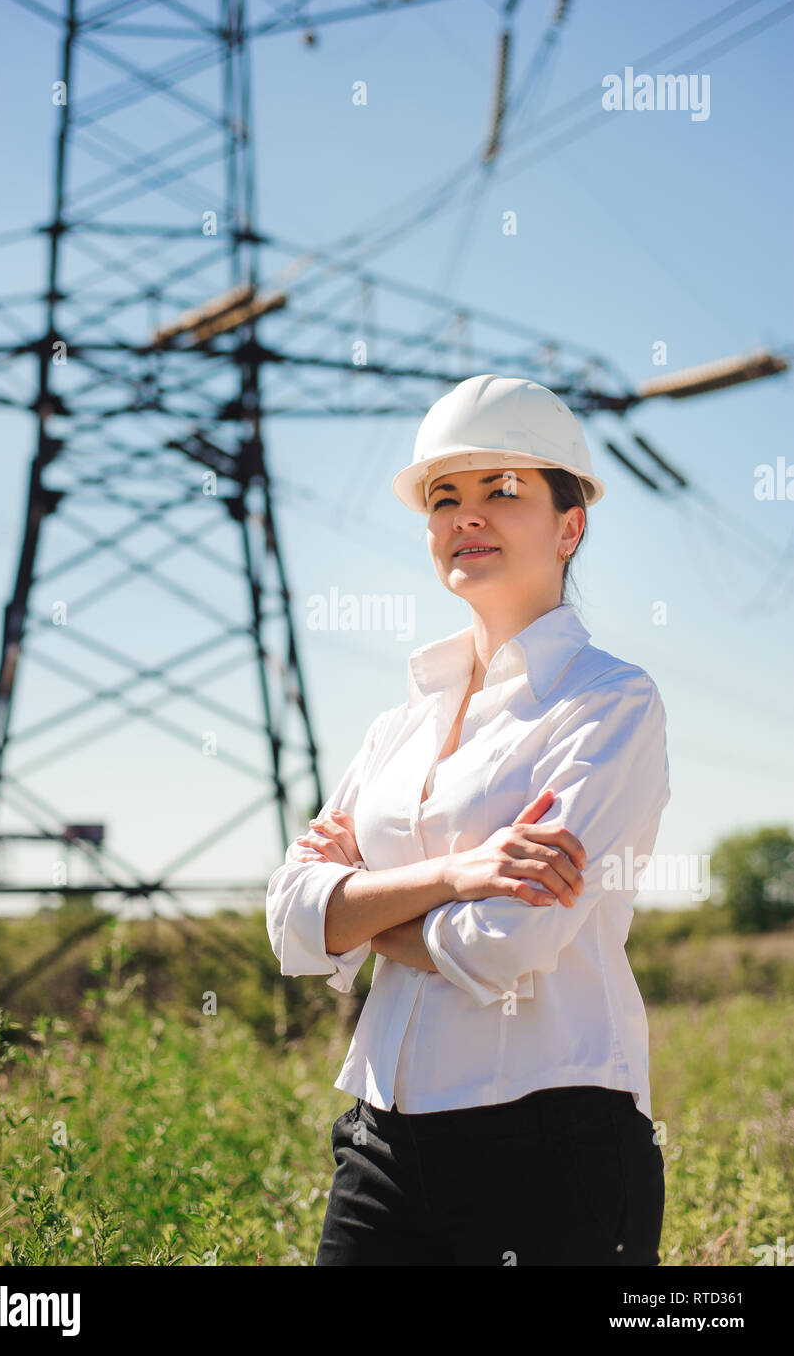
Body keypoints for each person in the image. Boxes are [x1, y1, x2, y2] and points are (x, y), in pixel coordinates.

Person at [266, 374, 670, 1267]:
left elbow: (502, 944)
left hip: (550, 1142)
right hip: (379, 1140)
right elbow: (290, 920)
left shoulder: (607, 705)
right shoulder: (396, 727)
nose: (466, 516)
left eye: (503, 491)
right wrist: (454, 876)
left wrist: (360, 909)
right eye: (445, 498)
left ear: (570, 525)